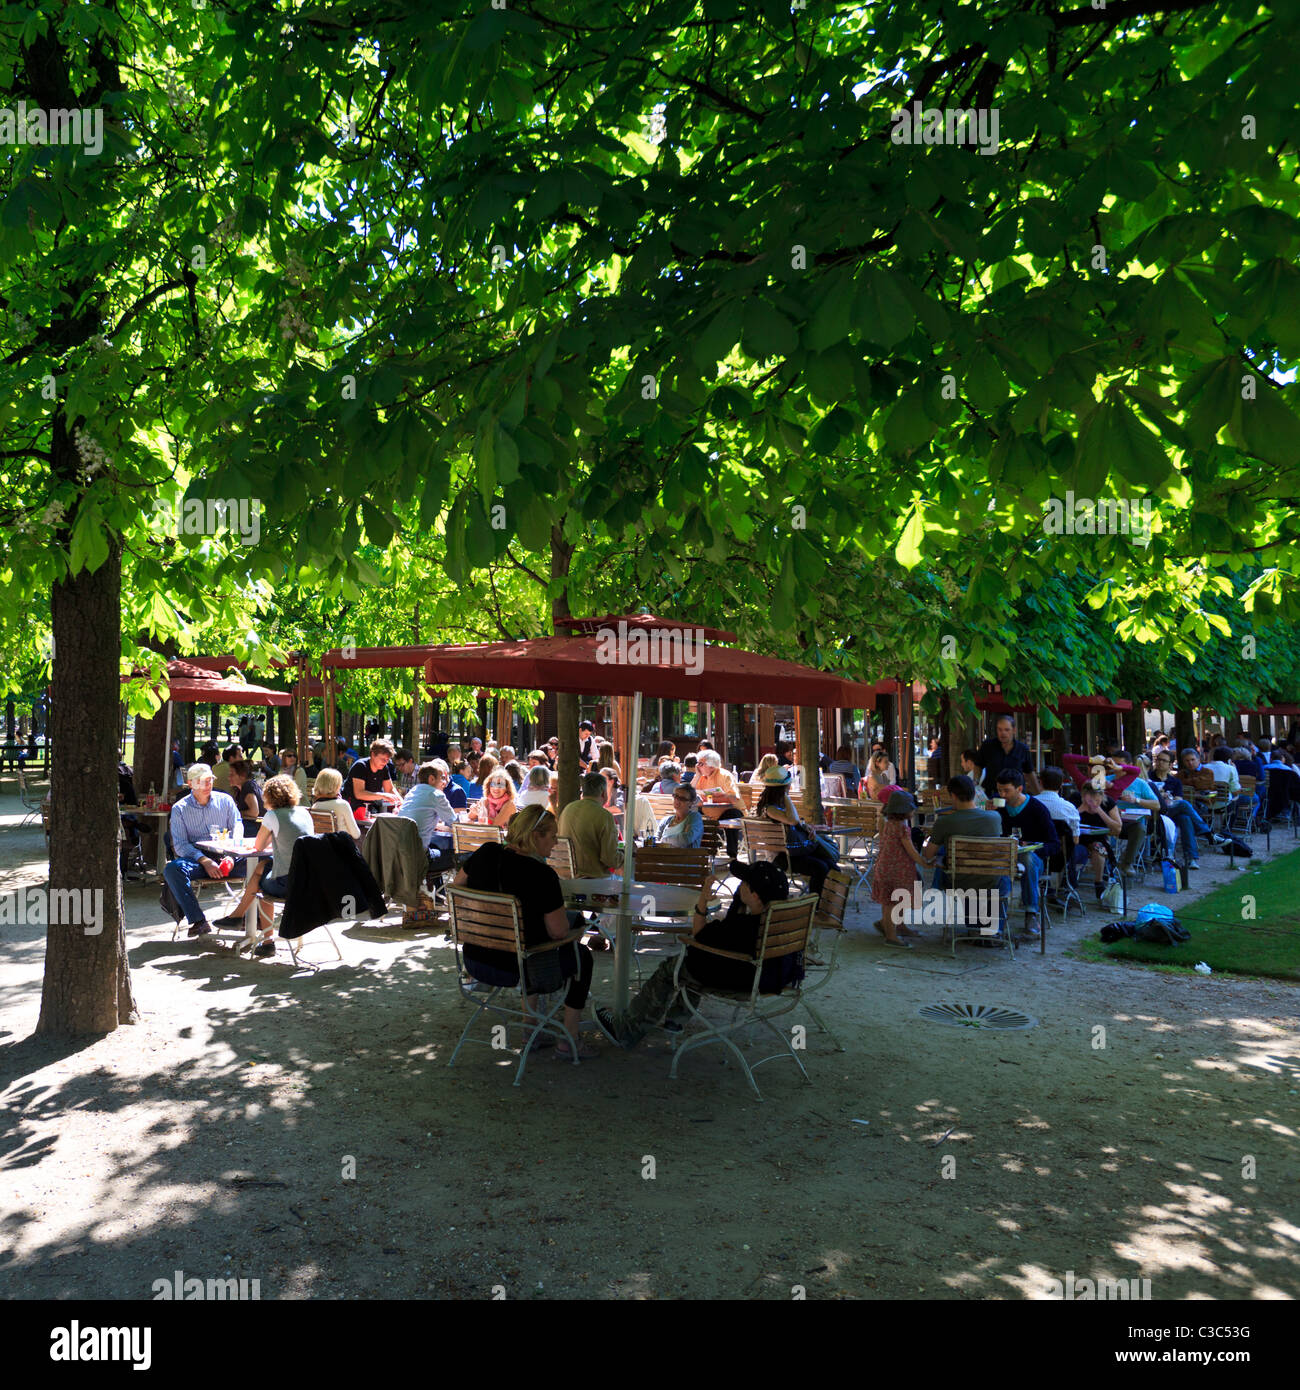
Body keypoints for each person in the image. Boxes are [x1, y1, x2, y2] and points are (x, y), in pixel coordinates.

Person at [596, 862, 800, 1050]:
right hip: (773, 975)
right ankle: (676, 1019)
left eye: (745, 883)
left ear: (755, 896)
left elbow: (699, 933)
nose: (740, 886)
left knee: (675, 966)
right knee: (695, 959)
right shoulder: (781, 921)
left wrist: (703, 898)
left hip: (742, 978)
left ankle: (627, 1030)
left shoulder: (742, 927)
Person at [453, 806, 599, 1061]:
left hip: (474, 961)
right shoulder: (543, 875)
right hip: (516, 967)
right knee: (581, 957)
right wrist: (578, 930)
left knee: (526, 942)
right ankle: (569, 1040)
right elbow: (558, 932)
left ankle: (531, 1030)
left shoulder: (487, 852)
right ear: (535, 836)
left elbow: (458, 886)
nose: (556, 842)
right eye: (552, 836)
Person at [214, 774, 314, 955]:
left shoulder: (272, 815)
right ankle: (242, 921)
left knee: (263, 882)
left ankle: (254, 930)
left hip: (287, 883)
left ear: (268, 796)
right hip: (308, 881)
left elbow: (258, 846)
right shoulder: (304, 813)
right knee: (262, 867)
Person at [162, 764, 244, 938]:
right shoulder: (180, 809)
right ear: (191, 784)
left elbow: (238, 826)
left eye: (209, 781)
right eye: (202, 782)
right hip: (198, 859)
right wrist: (204, 861)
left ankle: (249, 916)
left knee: (262, 862)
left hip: (228, 855)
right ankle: (198, 920)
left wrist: (231, 855)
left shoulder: (225, 800)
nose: (207, 785)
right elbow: (181, 845)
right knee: (172, 869)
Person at [993, 770, 1060, 941]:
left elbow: (1054, 844)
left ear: (1019, 789)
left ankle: (1031, 914)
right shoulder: (997, 807)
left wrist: (1032, 848)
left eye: (1006, 791)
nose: (1002, 795)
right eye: (999, 790)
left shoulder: (1037, 809)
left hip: (1033, 858)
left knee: (1028, 858)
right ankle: (994, 921)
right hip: (1004, 856)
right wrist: (988, 815)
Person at [755, 765, 837, 898]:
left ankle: (826, 902)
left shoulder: (775, 807)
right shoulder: (769, 809)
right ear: (783, 788)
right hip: (781, 857)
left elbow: (794, 822)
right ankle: (815, 905)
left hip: (791, 852)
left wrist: (805, 828)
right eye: (788, 785)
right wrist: (786, 796)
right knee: (820, 867)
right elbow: (793, 820)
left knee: (828, 863)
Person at [871, 790, 926, 945]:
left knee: (894, 901)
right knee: (892, 903)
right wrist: (924, 863)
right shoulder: (902, 828)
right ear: (904, 810)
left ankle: (899, 927)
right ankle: (891, 936)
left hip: (886, 868)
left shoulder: (889, 824)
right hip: (896, 871)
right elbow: (911, 851)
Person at [397, 761, 458, 877]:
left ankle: (430, 891)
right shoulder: (436, 795)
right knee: (460, 856)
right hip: (420, 858)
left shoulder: (412, 792)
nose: (445, 782)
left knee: (434, 848)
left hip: (400, 855)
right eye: (443, 778)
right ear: (431, 779)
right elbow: (455, 823)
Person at [557, 771, 624, 879]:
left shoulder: (567, 809)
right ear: (603, 792)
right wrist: (626, 855)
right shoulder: (604, 816)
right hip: (594, 880)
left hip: (565, 877)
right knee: (629, 882)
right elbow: (610, 859)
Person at [693, 749, 745, 857]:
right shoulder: (701, 778)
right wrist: (697, 776)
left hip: (728, 812)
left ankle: (732, 855)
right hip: (710, 814)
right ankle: (704, 854)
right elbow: (689, 792)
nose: (697, 766)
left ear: (711, 766)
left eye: (701, 764)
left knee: (731, 815)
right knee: (694, 817)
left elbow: (733, 798)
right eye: (697, 763)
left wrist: (710, 798)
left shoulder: (724, 775)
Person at [1078, 783, 1123, 900]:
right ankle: (1067, 881)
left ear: (1102, 796)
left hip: (1099, 838)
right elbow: (1066, 821)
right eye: (1089, 800)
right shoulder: (1076, 801)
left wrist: (1100, 811)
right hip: (1078, 838)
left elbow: (1118, 828)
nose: (1093, 802)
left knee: (1099, 848)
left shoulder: (1108, 803)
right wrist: (1079, 810)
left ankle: (1099, 883)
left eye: (1097, 799)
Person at [972, 715, 1038, 796]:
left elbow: (1029, 773)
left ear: (1014, 730)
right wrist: (975, 781)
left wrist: (1038, 794)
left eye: (1007, 730)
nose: (1003, 733)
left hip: (1016, 795)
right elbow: (978, 765)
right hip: (993, 793)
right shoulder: (987, 746)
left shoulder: (1023, 749)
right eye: (1000, 729)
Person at [346, 739, 403, 813]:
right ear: (373, 754)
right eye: (383, 759)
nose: (385, 762)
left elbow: (389, 790)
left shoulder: (384, 768)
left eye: (387, 759)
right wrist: (383, 795)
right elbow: (359, 793)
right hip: (351, 809)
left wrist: (402, 804)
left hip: (368, 809)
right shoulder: (360, 766)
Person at [309, 767, 361, 839]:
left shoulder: (315, 806)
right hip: (340, 846)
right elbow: (356, 834)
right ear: (336, 786)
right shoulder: (343, 805)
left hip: (322, 846)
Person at [1034, 767, 1081, 837]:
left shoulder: (1029, 803)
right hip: (1061, 847)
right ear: (1061, 784)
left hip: (1036, 846)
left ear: (1040, 782)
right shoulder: (1069, 808)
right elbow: (1075, 839)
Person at [658, 783, 705, 848]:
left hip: (685, 857)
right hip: (663, 856)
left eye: (682, 798)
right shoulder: (666, 820)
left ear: (691, 802)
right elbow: (656, 840)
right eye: (675, 796)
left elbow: (686, 839)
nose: (677, 800)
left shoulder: (694, 817)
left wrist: (664, 840)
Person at [226, 759, 264, 837]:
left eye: (232, 775)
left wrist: (237, 813)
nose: (228, 778)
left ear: (242, 775)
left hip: (256, 827)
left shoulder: (248, 786)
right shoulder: (242, 788)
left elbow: (254, 812)